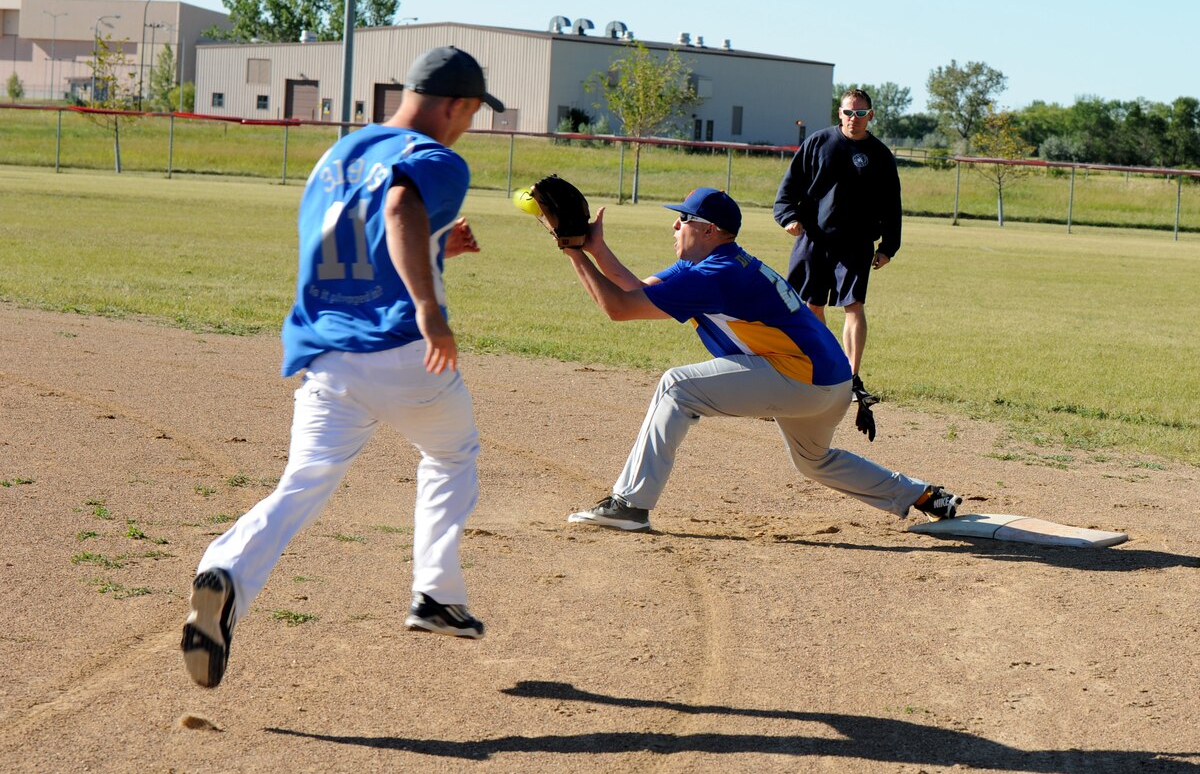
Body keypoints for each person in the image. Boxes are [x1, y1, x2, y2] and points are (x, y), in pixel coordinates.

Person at [181, 46, 504, 689]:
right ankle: (436, 594)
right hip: (405, 351)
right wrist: (430, 306)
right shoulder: (437, 157)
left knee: (304, 481)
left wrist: (439, 251)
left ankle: (225, 570)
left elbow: (360, 238)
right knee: (451, 453)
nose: (468, 125)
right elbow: (399, 209)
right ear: (455, 104)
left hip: (329, 357)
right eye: (471, 113)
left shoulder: (340, 154)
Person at [562, 187, 960, 533]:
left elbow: (619, 308)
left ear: (709, 230)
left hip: (800, 378)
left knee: (677, 387)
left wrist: (573, 253)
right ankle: (922, 495)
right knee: (814, 461)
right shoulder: (711, 263)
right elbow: (636, 291)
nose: (675, 226)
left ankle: (630, 506)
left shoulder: (716, 274)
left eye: (684, 219)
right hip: (830, 382)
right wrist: (594, 249)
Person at [773, 87, 902, 407]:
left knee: (853, 306)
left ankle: (851, 378)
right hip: (814, 238)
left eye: (860, 114)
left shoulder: (880, 154)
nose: (853, 119)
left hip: (856, 243)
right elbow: (788, 188)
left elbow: (891, 205)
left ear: (870, 116)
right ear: (839, 113)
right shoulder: (818, 143)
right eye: (848, 112)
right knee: (810, 305)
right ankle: (819, 370)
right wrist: (788, 217)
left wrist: (889, 246)